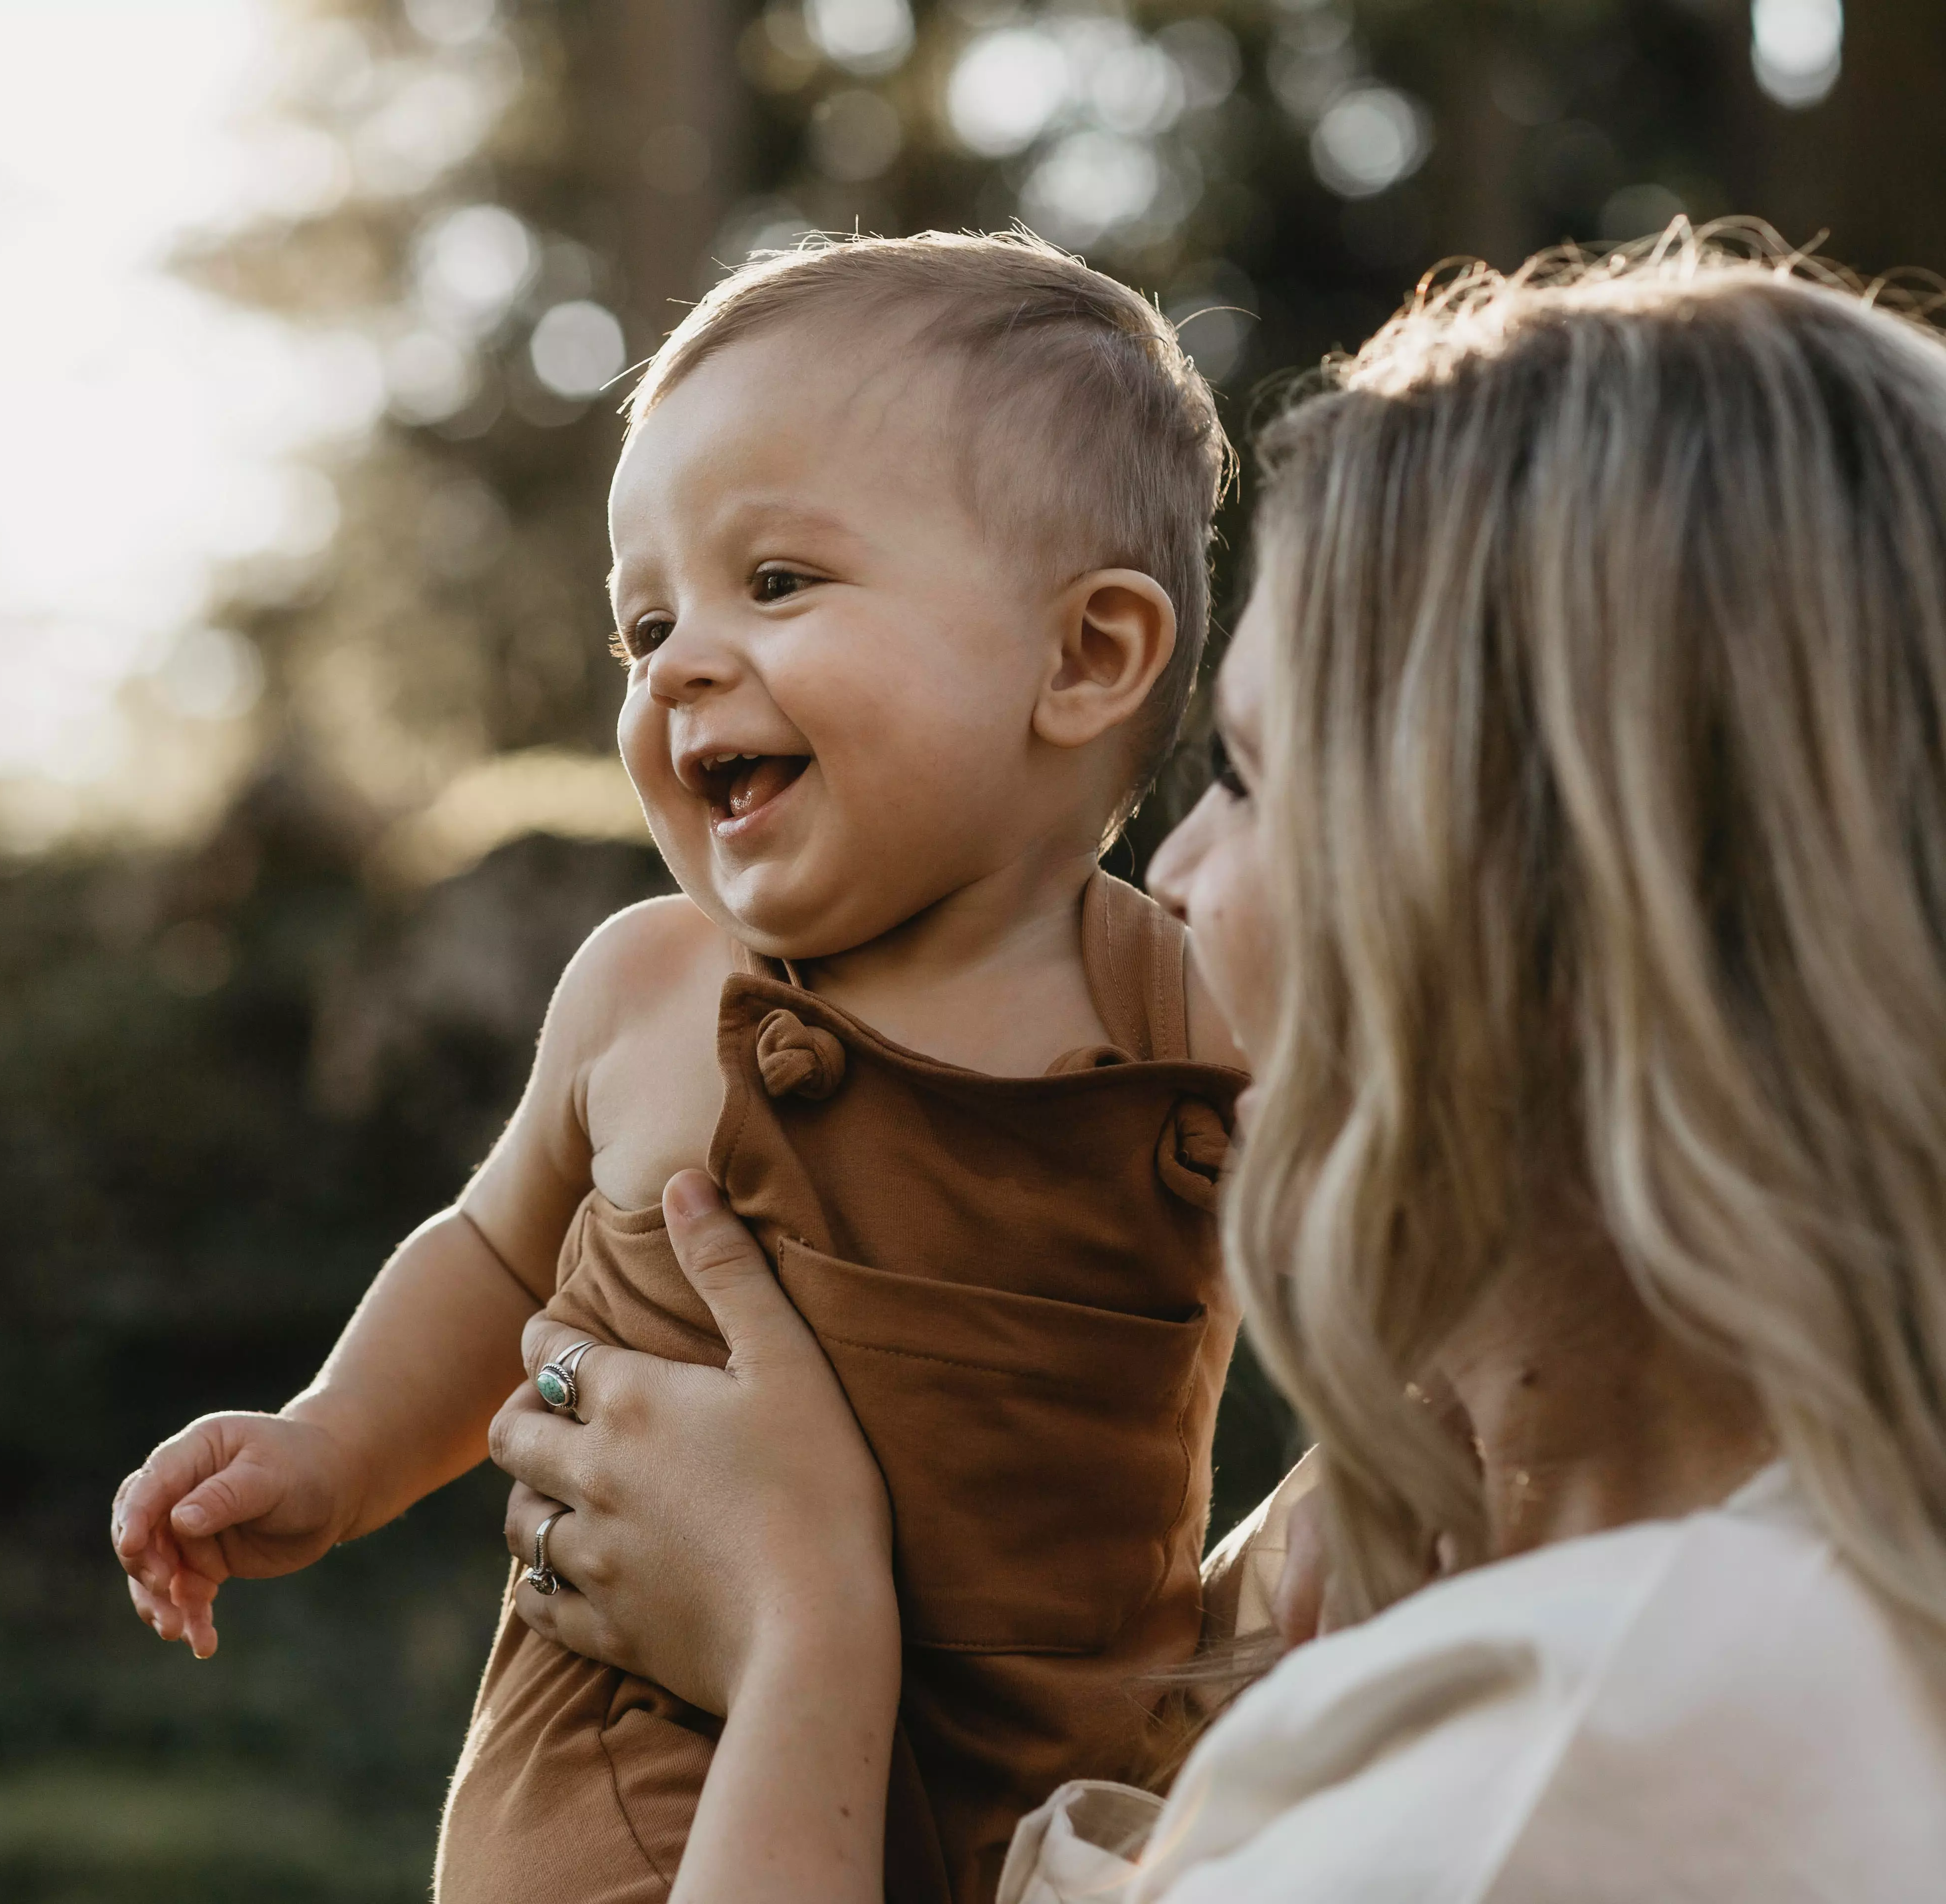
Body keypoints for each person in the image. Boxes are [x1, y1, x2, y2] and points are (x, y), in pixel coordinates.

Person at [487, 232, 1946, 1902]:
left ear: (1534, 901)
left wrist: (804, 1635)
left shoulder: (1584, 1753)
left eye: (1247, 778)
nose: (1173, 880)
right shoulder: (1682, 1600)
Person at [109, 231, 1248, 1902]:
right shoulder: (652, 986)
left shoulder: (1193, 1027)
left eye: (775, 584)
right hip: (622, 1810)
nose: (680, 665)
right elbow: (492, 1251)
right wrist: (333, 1448)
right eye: (646, 622)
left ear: (1084, 659)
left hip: (1042, 1835)